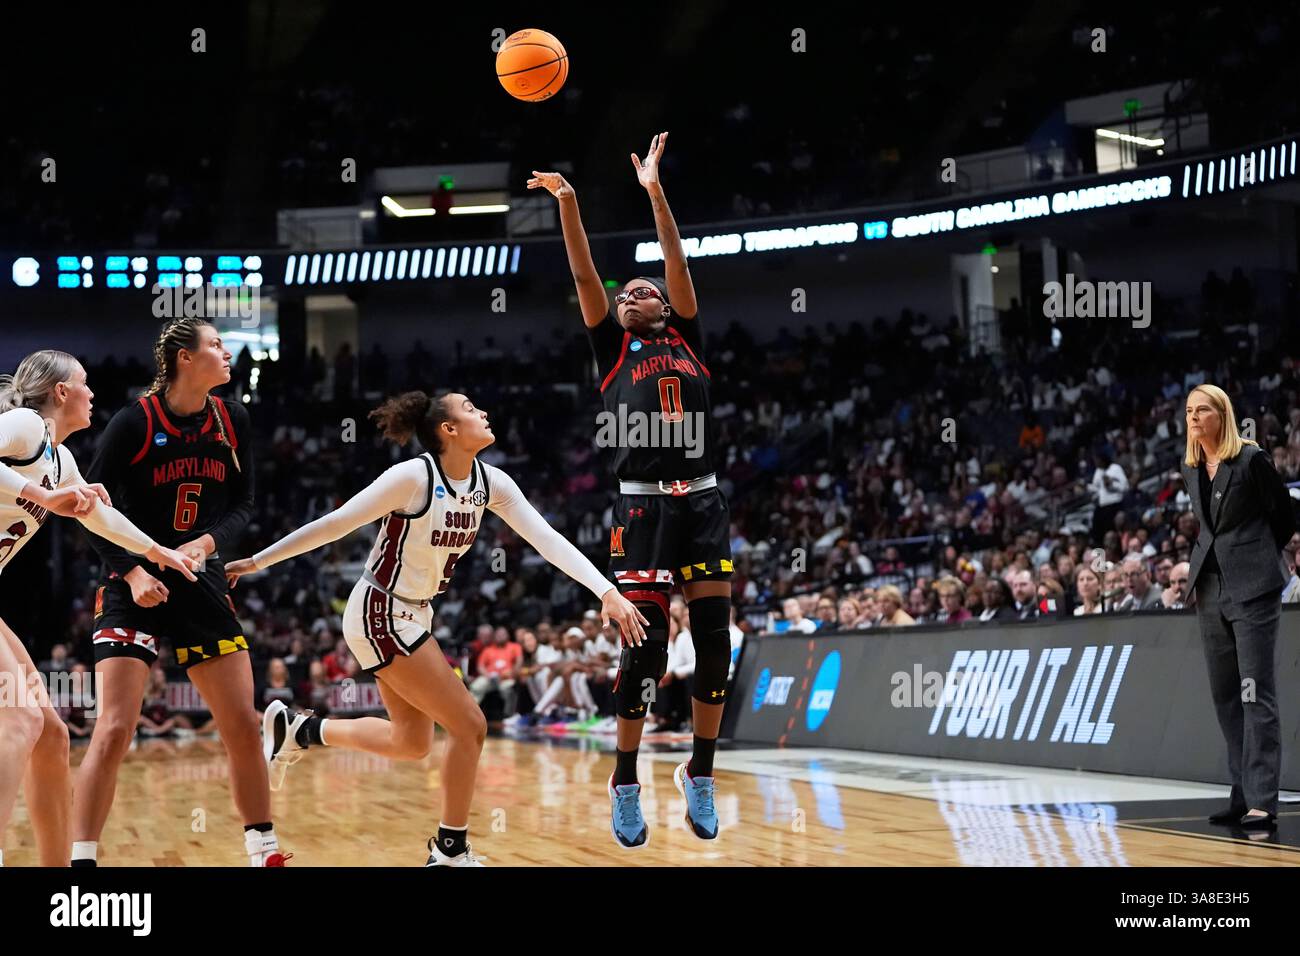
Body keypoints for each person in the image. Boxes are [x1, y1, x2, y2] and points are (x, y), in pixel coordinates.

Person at [225, 389, 646, 866]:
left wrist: (605, 590)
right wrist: (259, 561)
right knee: (470, 725)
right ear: (448, 430)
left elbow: (547, 539)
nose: (483, 412)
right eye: (470, 409)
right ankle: (450, 850)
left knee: (412, 743)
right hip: (379, 609)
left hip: (413, 613)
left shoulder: (492, 483)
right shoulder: (413, 477)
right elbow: (336, 524)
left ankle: (299, 730)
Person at [531, 132, 735, 848]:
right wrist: (569, 204)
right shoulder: (612, 347)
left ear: (667, 309)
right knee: (644, 653)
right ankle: (624, 778)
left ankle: (699, 773)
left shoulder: (688, 339)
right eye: (625, 294)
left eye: (642, 293)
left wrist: (654, 191)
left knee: (715, 648)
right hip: (641, 503)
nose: (629, 296)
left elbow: (675, 257)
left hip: (703, 500)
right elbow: (586, 275)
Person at [73, 319, 280, 868]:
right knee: (116, 727)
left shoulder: (233, 419)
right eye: (215, 345)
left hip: (199, 578)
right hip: (132, 581)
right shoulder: (133, 423)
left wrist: (208, 541)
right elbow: (88, 509)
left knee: (242, 722)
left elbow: (246, 503)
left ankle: (264, 848)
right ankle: (82, 861)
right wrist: (133, 572)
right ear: (185, 359)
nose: (226, 352)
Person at [0, 350, 196, 868]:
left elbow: (102, 521)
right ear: (61, 392)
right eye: (85, 384)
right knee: (18, 720)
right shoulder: (21, 424)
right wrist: (39, 492)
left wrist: (159, 553)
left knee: (50, 733)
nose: (94, 394)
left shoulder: (62, 462)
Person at [1182, 384, 1295, 830]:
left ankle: (1263, 800)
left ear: (1222, 414)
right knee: (1227, 695)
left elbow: (1284, 515)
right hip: (1209, 588)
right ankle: (1241, 792)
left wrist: (1256, 557)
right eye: (1188, 411)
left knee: (1255, 694)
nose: (1193, 417)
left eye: (1202, 409)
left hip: (1252, 588)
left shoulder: (1251, 460)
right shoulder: (1190, 466)